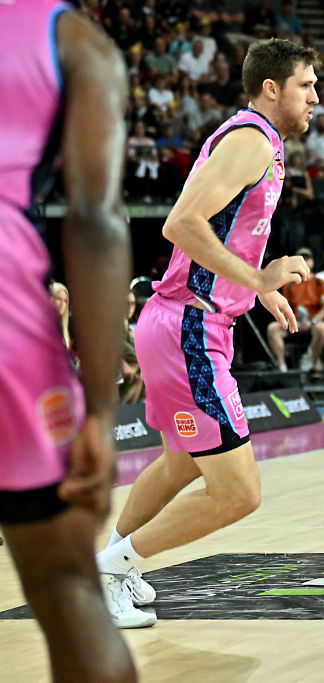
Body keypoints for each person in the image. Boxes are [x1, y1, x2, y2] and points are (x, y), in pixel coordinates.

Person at [94, 39, 318, 628]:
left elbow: (228, 228)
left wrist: (258, 289)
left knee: (182, 464)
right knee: (238, 493)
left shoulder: (259, 142)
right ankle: (107, 569)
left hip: (184, 321)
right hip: (188, 326)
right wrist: (256, 276)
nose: (315, 97)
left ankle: (116, 563)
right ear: (272, 89)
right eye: (306, 85)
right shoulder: (249, 141)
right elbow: (181, 224)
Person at [0, 3, 136, 680]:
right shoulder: (74, 40)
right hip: (7, 315)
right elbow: (95, 218)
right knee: (65, 586)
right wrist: (102, 412)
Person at [267, 247, 324, 372]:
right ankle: (282, 367)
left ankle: (312, 364)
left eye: (307, 259)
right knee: (272, 328)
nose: (305, 261)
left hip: (312, 322)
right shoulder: (289, 283)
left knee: (322, 328)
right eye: (301, 259)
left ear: (312, 262)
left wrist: (312, 321)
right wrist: (291, 320)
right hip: (294, 321)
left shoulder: (319, 282)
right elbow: (283, 306)